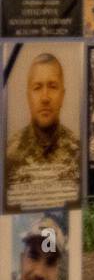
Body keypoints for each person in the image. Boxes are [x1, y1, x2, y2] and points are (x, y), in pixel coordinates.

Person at [6, 53, 80, 206]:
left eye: (53, 86)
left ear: (62, 95)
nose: (45, 97)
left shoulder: (79, 152)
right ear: (28, 96)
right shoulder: (8, 154)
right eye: (37, 88)